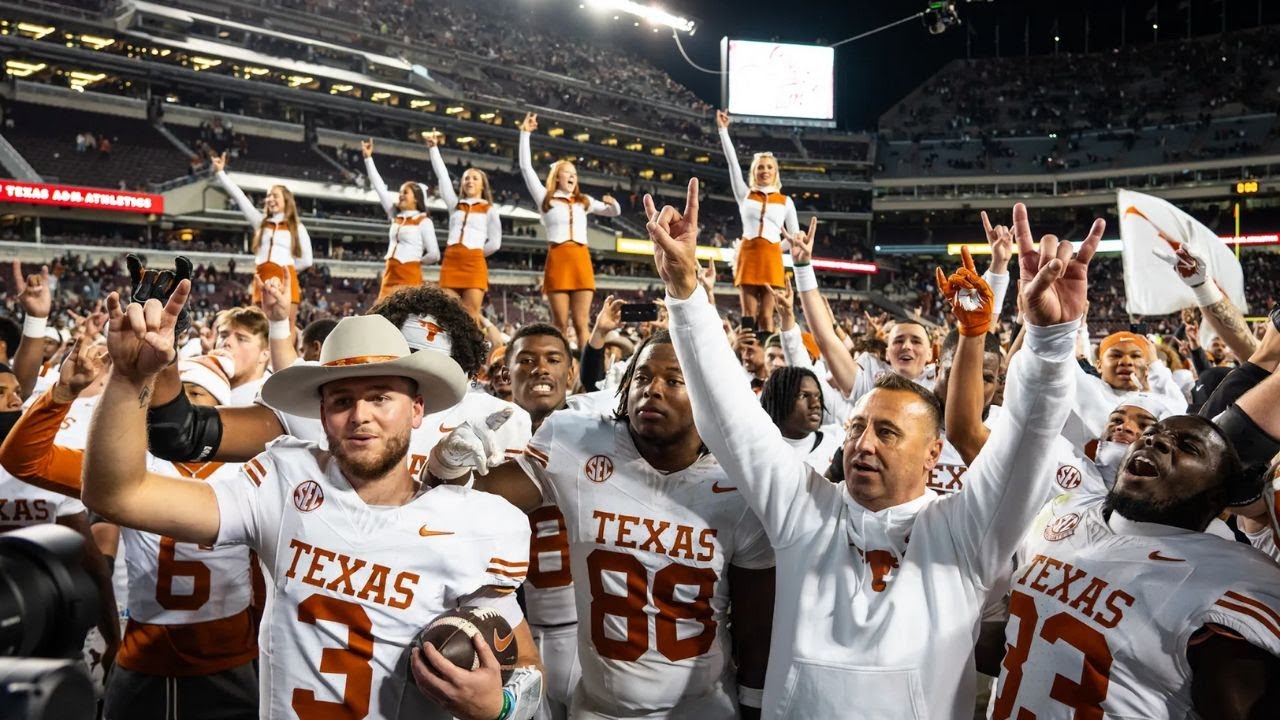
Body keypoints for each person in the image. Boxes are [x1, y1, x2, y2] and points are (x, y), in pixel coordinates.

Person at [651, 179, 1101, 717]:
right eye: (857, 427)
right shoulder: (803, 510)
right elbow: (731, 418)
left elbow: (1026, 441)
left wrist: (1050, 343)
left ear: (934, 455)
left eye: (887, 432)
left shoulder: (964, 531)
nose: (863, 443)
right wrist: (686, 296)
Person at [80, 284, 545, 720]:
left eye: (381, 396)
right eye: (342, 400)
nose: (360, 416)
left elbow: (527, 667)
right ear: (321, 413)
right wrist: (128, 377)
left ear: (418, 408)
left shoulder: (474, 521)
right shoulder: (283, 483)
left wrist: (499, 707)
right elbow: (118, 495)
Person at [428, 326, 776, 718]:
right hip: (599, 707)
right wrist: (450, 465)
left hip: (702, 708)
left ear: (710, 396)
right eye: (642, 377)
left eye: (674, 380)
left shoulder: (738, 485)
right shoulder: (577, 442)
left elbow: (755, 629)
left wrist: (754, 708)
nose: (652, 389)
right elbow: (473, 504)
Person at [0, 341, 258, 720]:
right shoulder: (131, 466)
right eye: (175, 396)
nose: (180, 409)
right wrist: (62, 393)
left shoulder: (254, 471)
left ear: (223, 411)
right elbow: (25, 460)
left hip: (229, 655)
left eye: (195, 394)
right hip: (144, 653)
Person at [990, 416, 1280, 718]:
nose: (1156, 440)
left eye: (1189, 447)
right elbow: (1027, 643)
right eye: (1153, 432)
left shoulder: (1228, 579)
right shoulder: (1064, 512)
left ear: (1218, 497)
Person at [518, 112, 621, 348]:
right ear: (557, 177)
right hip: (558, 258)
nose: (573, 176)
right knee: (559, 324)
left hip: (580, 259)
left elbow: (613, 212)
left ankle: (586, 375)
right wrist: (525, 134)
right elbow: (526, 168)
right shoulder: (546, 198)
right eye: (568, 173)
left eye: (575, 174)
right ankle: (563, 370)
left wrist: (613, 203)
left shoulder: (583, 201)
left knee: (582, 323)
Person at [716, 110, 798, 334]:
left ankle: (767, 362)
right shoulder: (745, 194)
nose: (765, 171)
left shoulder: (786, 201)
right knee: (748, 314)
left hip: (772, 259)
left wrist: (774, 247)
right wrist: (723, 131)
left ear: (775, 172)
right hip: (748, 255)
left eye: (769, 167)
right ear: (754, 171)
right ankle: (745, 358)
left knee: (767, 316)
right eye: (760, 167)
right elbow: (733, 165)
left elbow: (795, 236)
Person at [211, 151, 313, 321]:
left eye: (275, 196)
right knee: (259, 328)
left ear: (286, 201)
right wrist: (220, 173)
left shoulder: (297, 227)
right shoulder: (261, 223)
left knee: (285, 329)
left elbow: (307, 261)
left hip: (284, 279)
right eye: (268, 196)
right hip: (260, 277)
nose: (270, 199)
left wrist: (285, 270)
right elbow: (240, 198)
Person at [428, 134, 503, 318]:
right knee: (446, 315)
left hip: (474, 264)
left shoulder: (489, 210)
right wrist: (433, 149)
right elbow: (443, 177)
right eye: (466, 178)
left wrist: (475, 253)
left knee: (471, 316)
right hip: (451, 262)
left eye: (475, 178)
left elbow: (495, 243)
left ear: (483, 186)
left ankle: (474, 347)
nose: (470, 181)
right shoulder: (455, 206)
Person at [361, 138, 440, 302]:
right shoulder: (395, 216)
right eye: (401, 191)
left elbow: (434, 254)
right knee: (381, 314)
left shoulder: (424, 221)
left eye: (406, 192)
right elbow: (380, 188)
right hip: (390, 272)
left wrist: (416, 261)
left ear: (416, 199)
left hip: (409, 273)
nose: (401, 195)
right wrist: (368, 158)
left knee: (405, 317)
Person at [758, 366, 843, 474]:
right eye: (803, 396)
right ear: (779, 400)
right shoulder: (763, 453)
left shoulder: (837, 439)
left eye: (817, 396)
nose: (815, 404)